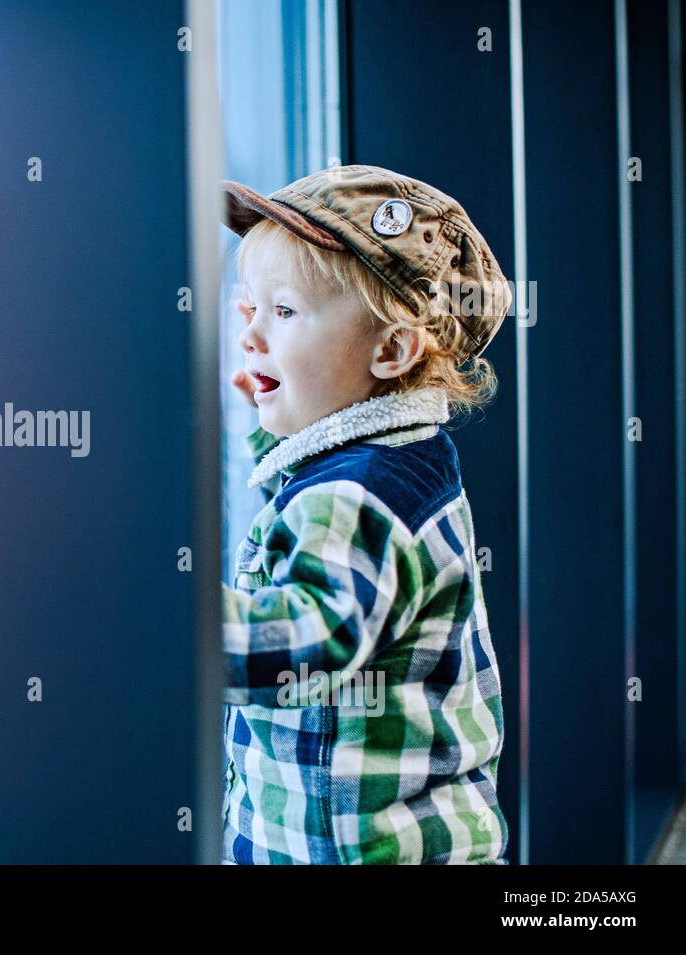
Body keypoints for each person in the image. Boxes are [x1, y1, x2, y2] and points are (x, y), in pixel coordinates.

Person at [219, 164, 511, 864]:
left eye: (282, 312)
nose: (252, 333)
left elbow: (305, 643)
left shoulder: (362, 495)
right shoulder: (403, 455)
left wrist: (166, 621)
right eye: (248, 308)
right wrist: (270, 416)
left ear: (390, 350)